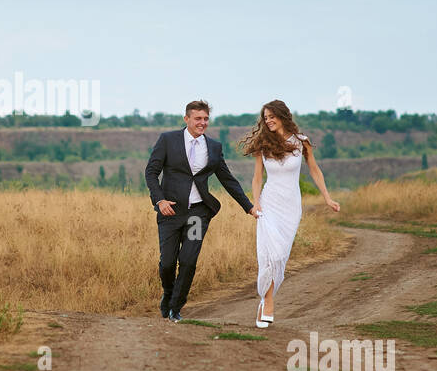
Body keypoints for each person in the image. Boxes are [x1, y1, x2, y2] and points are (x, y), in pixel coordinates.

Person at [145, 100, 259, 323]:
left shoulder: (214, 147)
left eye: (206, 119)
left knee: (188, 261)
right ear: (186, 119)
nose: (202, 123)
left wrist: (249, 206)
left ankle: (176, 307)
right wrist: (160, 201)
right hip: (170, 212)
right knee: (167, 262)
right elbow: (151, 172)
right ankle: (168, 293)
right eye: (198, 118)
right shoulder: (168, 140)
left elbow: (227, 179)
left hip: (198, 214)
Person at [237, 100, 340, 328]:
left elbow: (315, 170)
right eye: (266, 118)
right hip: (269, 204)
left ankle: (265, 297)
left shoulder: (302, 142)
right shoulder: (263, 144)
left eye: (272, 117)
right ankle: (268, 301)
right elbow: (257, 177)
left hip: (291, 207)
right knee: (268, 255)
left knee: (281, 255)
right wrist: (256, 203)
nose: (268, 121)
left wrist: (327, 198)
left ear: (283, 116)